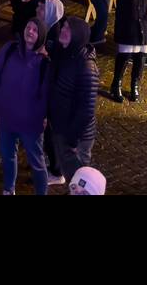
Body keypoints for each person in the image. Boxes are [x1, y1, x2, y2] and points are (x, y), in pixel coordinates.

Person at [0, 17, 50, 195]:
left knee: (37, 163)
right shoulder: (10, 49)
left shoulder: (45, 63)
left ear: (41, 36)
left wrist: (44, 116)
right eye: (28, 27)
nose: (30, 31)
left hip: (30, 124)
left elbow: (47, 95)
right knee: (8, 156)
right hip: (7, 118)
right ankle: (9, 189)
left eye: (34, 30)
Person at [47, 16, 100, 184]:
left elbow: (86, 110)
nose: (63, 30)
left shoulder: (86, 67)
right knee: (71, 176)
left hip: (76, 137)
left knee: (79, 179)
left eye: (68, 29)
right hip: (62, 128)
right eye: (63, 27)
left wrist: (72, 139)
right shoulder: (66, 54)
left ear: (78, 35)